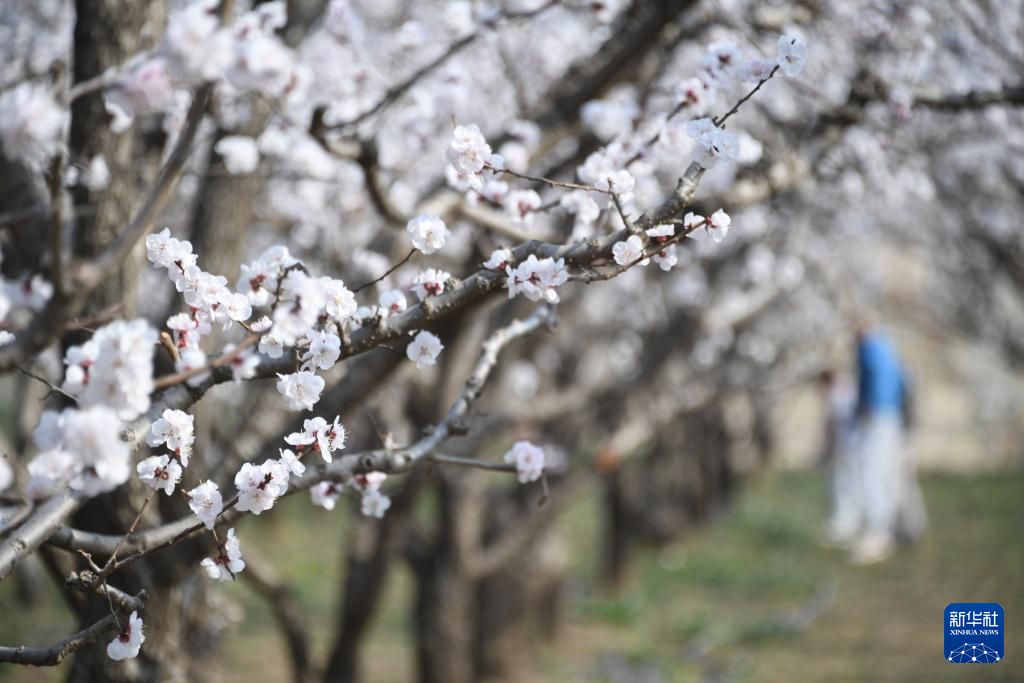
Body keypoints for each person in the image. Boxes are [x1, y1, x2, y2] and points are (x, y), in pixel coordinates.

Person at [851, 322, 927, 564]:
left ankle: (880, 532)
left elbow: (876, 384)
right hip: (892, 419)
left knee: (875, 473)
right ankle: (904, 527)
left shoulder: (871, 349)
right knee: (893, 473)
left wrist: (866, 408)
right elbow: (904, 385)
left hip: (879, 418)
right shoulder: (887, 347)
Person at [816, 368, 861, 546]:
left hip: (846, 446)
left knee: (844, 484)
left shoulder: (838, 395)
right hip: (848, 445)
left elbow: (834, 423)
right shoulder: (847, 389)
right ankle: (846, 520)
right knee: (846, 483)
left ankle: (845, 523)